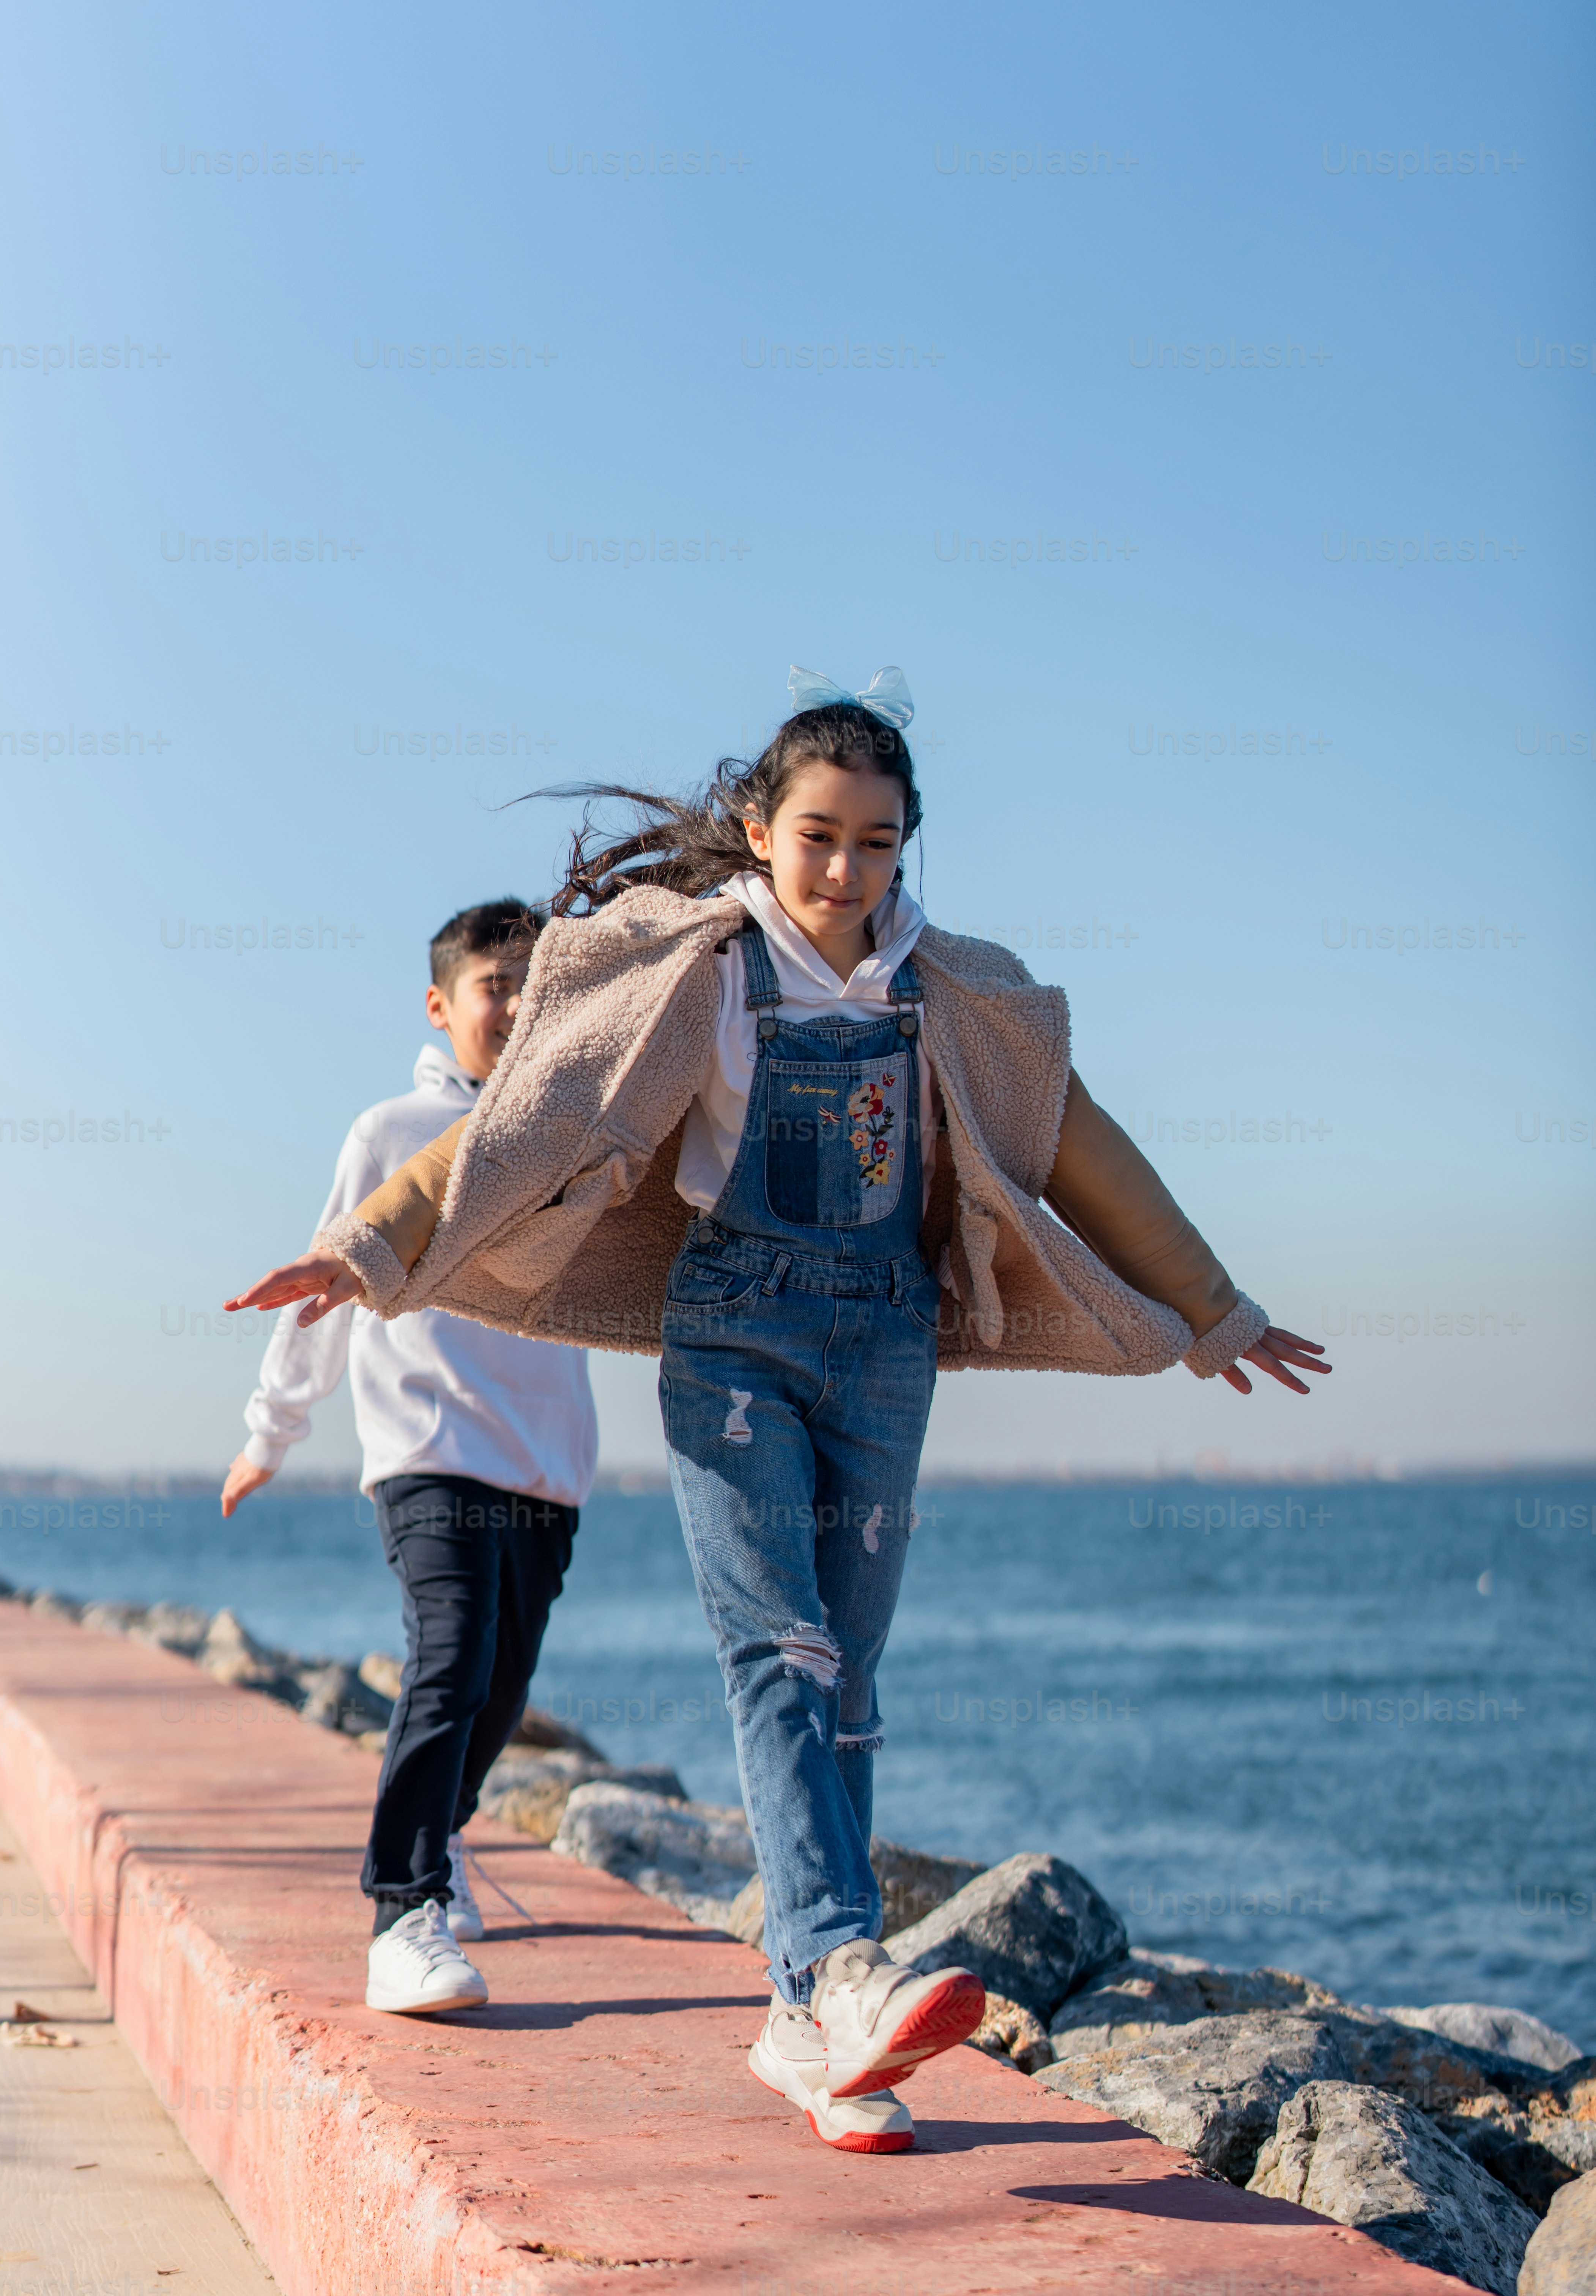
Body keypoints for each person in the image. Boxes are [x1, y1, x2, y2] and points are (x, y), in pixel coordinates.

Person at [227, 666, 1328, 2153]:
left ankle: (809, 2026)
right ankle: (844, 1964)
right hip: (731, 1340)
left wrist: (1213, 1303)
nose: (846, 870)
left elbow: (1076, 1144)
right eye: (819, 834)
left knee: (852, 1681)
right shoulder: (700, 971)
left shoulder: (954, 993)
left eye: (879, 842)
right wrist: (369, 1246)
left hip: (884, 1346)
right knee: (783, 1652)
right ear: (760, 829)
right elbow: (526, 1116)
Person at [221, 898, 597, 2020]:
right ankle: (403, 1910)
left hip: (547, 1466)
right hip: (428, 1452)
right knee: (451, 1656)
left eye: (541, 982)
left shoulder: (574, 1134)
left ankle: (443, 1838)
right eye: (498, 984)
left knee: (504, 1688)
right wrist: (268, 1434)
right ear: (441, 1006)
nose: (522, 1003)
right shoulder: (388, 1132)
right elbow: (324, 1288)